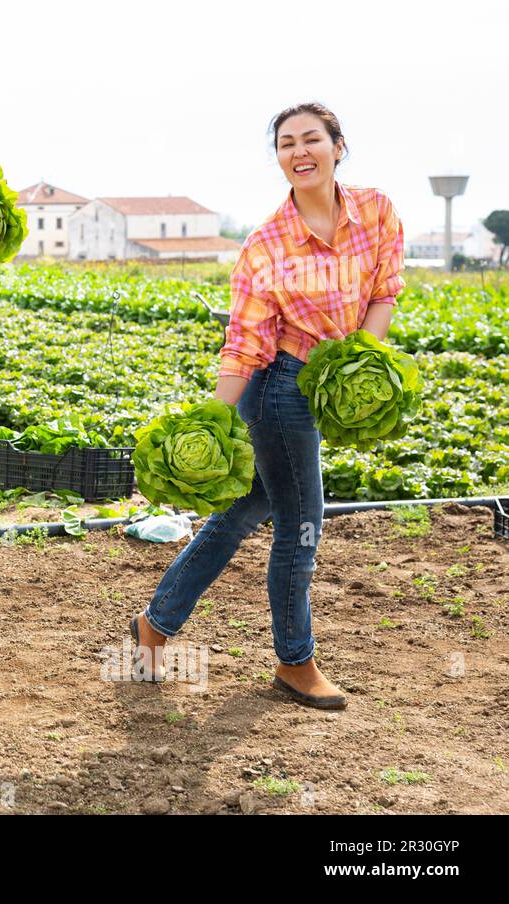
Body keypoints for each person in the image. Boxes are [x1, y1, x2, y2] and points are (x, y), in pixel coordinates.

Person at [130, 102, 404, 710]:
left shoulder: (377, 211)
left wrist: (360, 366)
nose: (299, 151)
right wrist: (208, 423)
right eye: (286, 144)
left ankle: (154, 625)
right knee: (303, 524)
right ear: (278, 157)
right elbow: (245, 344)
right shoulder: (265, 246)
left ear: (338, 145)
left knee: (247, 507)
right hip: (279, 388)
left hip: (326, 383)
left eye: (311, 139)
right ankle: (294, 661)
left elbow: (384, 290)